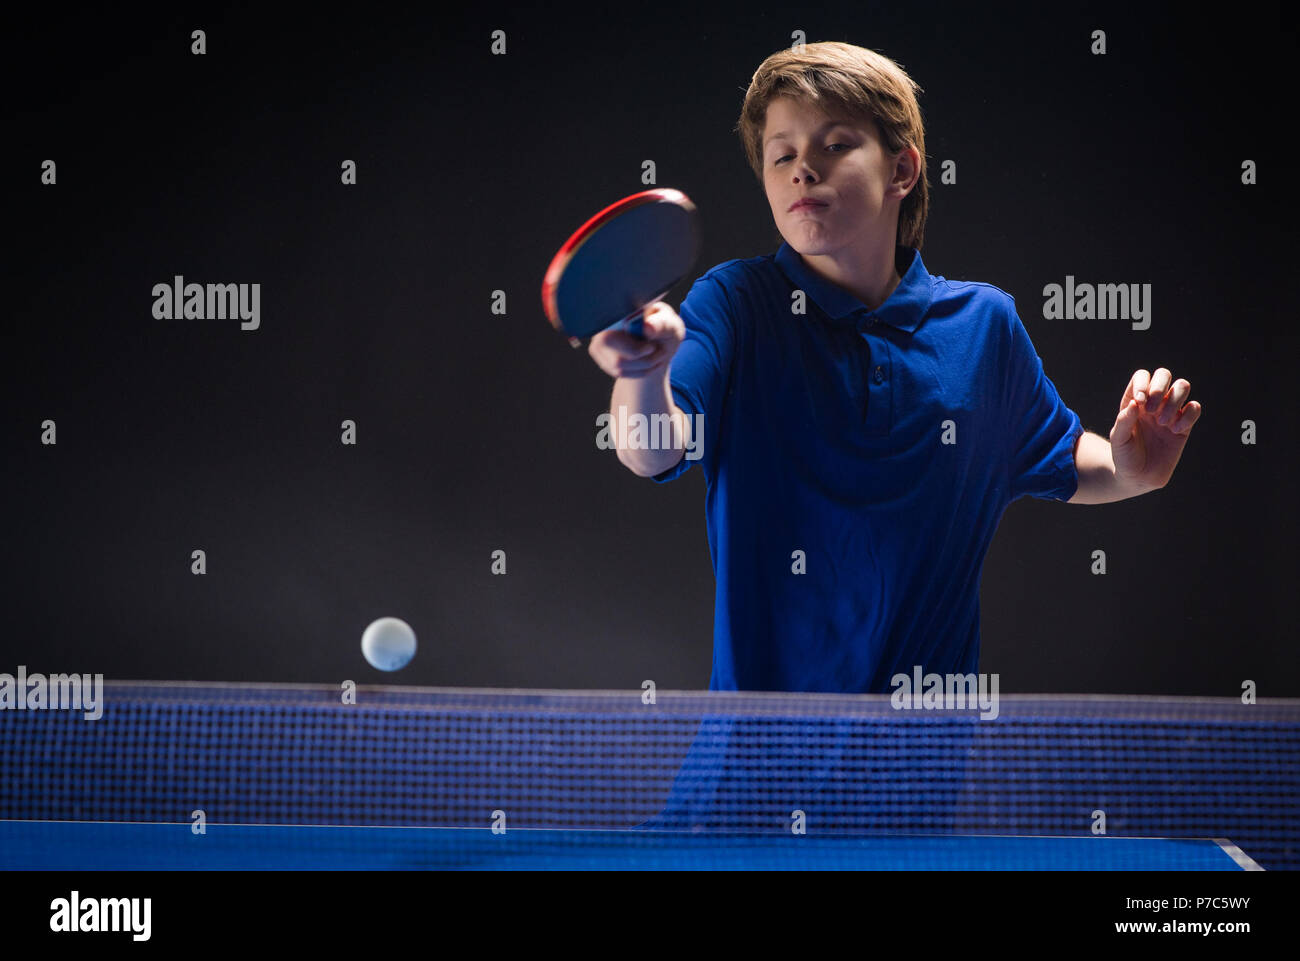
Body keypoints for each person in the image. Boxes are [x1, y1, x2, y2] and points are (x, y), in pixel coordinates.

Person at [589, 41, 1201, 699]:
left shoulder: (985, 327)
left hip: (915, 770)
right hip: (754, 765)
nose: (803, 169)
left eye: (834, 145)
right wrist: (643, 375)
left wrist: (1132, 471)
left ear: (902, 169)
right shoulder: (736, 303)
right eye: (782, 153)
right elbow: (652, 451)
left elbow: (1061, 456)